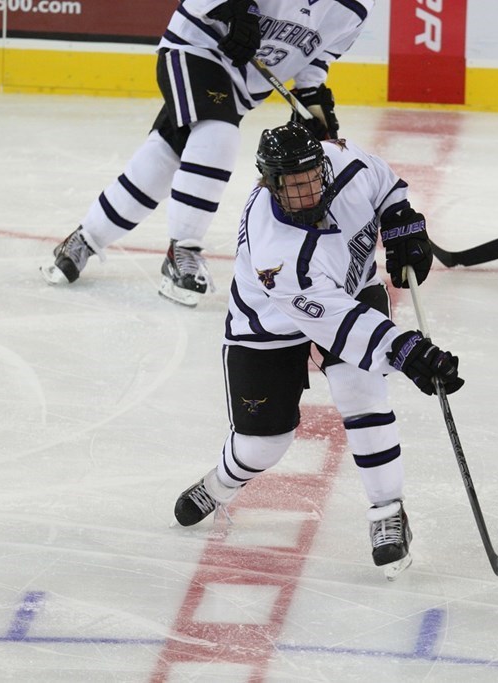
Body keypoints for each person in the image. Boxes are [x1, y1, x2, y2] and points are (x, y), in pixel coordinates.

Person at [172, 122, 464, 578]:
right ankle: (221, 483)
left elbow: (385, 182)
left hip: (350, 291)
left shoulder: (342, 163)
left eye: (312, 177)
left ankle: (387, 512)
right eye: (293, 184)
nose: (307, 191)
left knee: (360, 390)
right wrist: (409, 352)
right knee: (262, 446)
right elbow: (342, 324)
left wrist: (402, 223)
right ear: (269, 183)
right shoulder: (278, 255)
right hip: (268, 322)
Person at [40, 0, 373, 306]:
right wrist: (233, 6)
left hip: (240, 89)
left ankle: (85, 238)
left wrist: (311, 100)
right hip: (196, 48)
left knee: (163, 159)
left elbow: (318, 57)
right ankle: (183, 250)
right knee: (218, 136)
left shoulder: (356, 8)